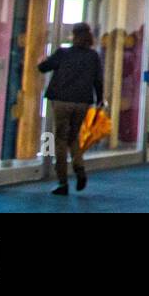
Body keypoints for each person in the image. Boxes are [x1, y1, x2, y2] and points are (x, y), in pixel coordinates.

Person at [38, 21, 104, 196]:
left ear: (73, 36)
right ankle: (79, 167)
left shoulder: (63, 53)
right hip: (82, 101)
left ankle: (62, 182)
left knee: (60, 139)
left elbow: (43, 68)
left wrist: (41, 60)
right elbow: (98, 80)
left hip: (61, 101)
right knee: (73, 137)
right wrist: (100, 99)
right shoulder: (93, 56)